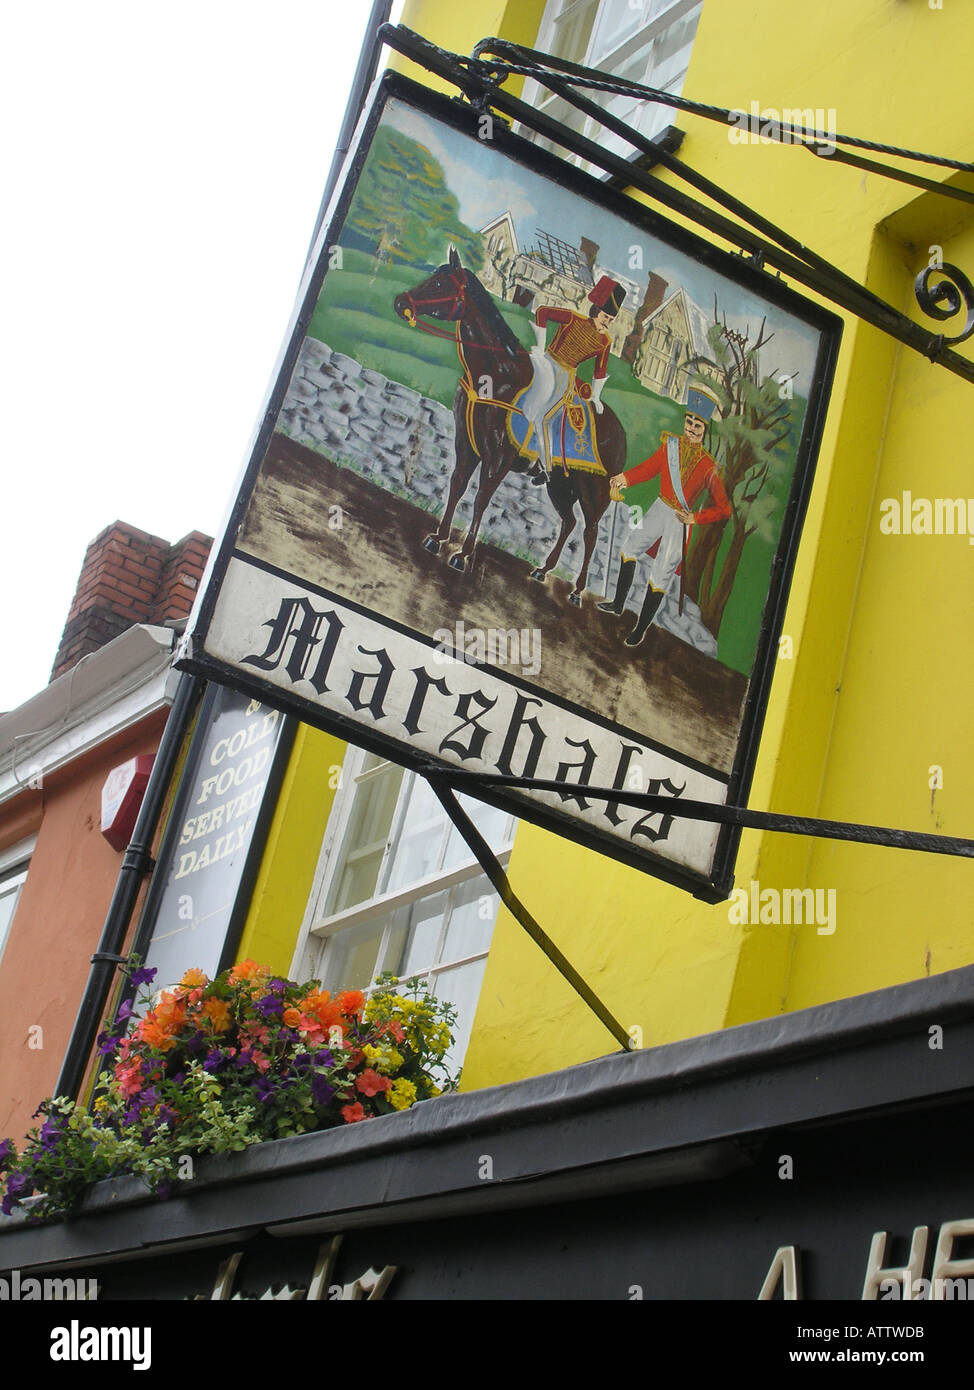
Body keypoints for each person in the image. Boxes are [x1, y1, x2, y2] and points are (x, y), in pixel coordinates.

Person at [600, 385, 731, 648]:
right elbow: (649, 469)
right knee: (629, 548)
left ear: (705, 430)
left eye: (698, 426)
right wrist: (625, 478)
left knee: (660, 575)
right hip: (659, 508)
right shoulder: (669, 445)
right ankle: (617, 604)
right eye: (690, 422)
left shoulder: (709, 467)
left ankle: (640, 629)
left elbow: (724, 509)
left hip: (679, 522)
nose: (692, 429)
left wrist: (695, 518)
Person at [512, 276, 625, 482]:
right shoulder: (573, 318)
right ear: (596, 310)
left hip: (564, 378)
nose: (607, 323)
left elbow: (599, 372)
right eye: (605, 317)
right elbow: (542, 312)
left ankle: (545, 468)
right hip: (545, 362)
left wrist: (596, 397)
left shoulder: (604, 341)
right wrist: (540, 344)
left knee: (545, 420)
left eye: (610, 320)